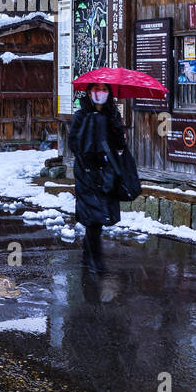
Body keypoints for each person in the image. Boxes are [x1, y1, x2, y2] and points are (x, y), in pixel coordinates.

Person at [67, 82, 126, 274]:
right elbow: (73, 144)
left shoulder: (112, 115)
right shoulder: (81, 115)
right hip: (86, 171)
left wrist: (116, 128)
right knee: (93, 216)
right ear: (89, 92)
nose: (100, 93)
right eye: (96, 89)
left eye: (104, 89)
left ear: (109, 93)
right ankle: (95, 261)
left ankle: (88, 254)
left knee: (98, 215)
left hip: (106, 172)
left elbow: (120, 144)